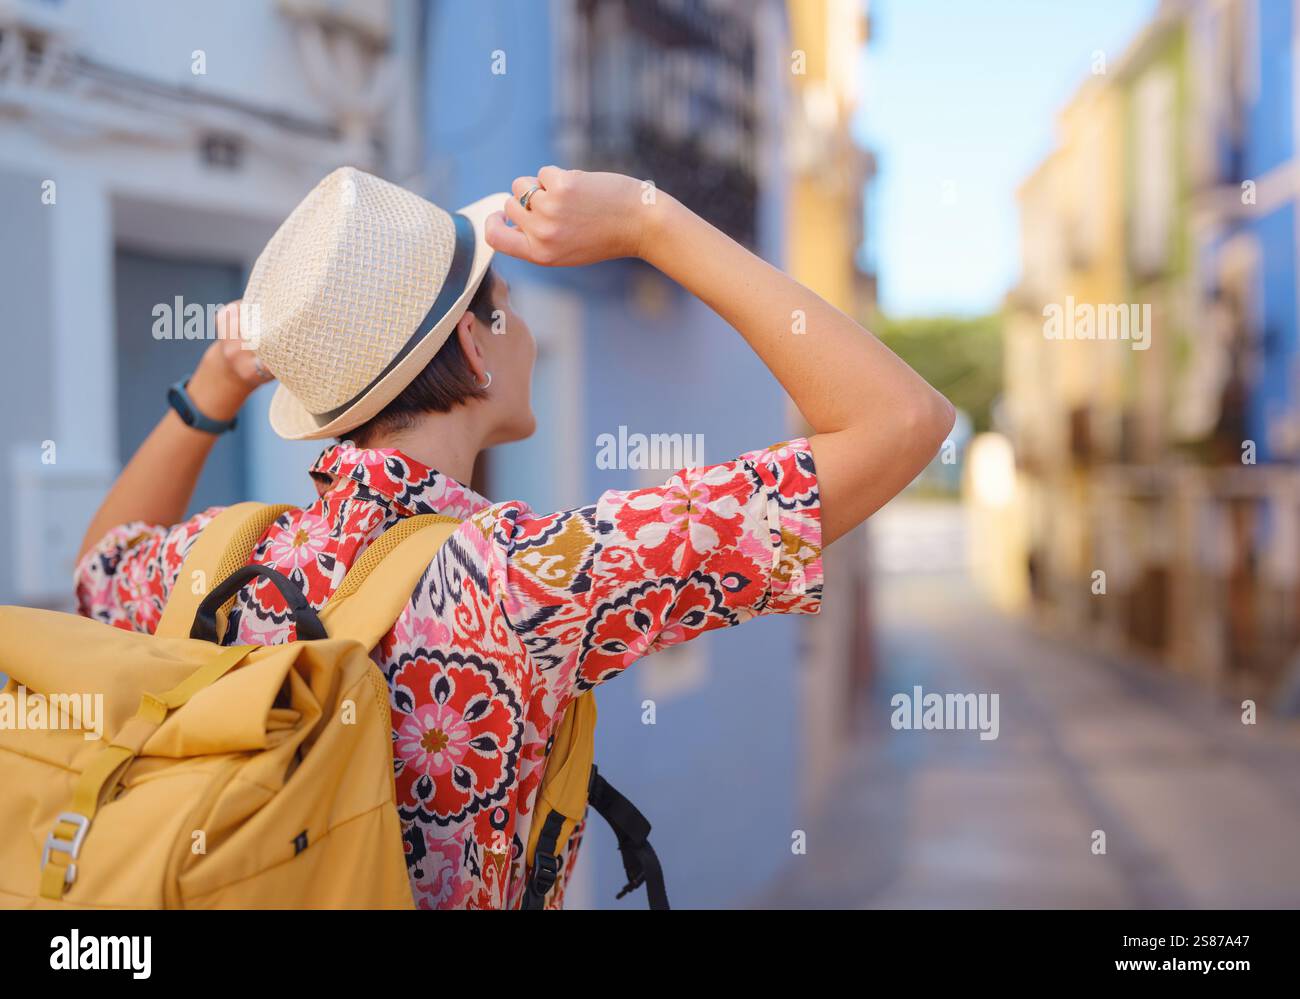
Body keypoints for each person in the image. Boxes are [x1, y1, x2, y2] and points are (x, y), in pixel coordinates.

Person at [75, 165, 954, 909]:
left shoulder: (217, 561)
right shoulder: (529, 580)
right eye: (509, 305)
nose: (526, 329)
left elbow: (95, 568)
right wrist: (653, 221)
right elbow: (906, 419)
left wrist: (213, 389)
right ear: (475, 343)